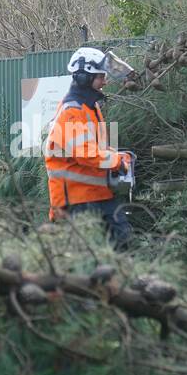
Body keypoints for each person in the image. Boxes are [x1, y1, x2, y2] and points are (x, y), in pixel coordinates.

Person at [43, 47, 134, 246]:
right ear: (84, 78)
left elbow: (97, 148)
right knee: (88, 254)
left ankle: (121, 276)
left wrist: (118, 156)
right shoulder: (72, 111)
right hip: (75, 199)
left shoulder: (91, 107)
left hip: (96, 193)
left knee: (122, 238)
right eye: (101, 77)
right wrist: (116, 160)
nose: (105, 81)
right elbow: (85, 153)